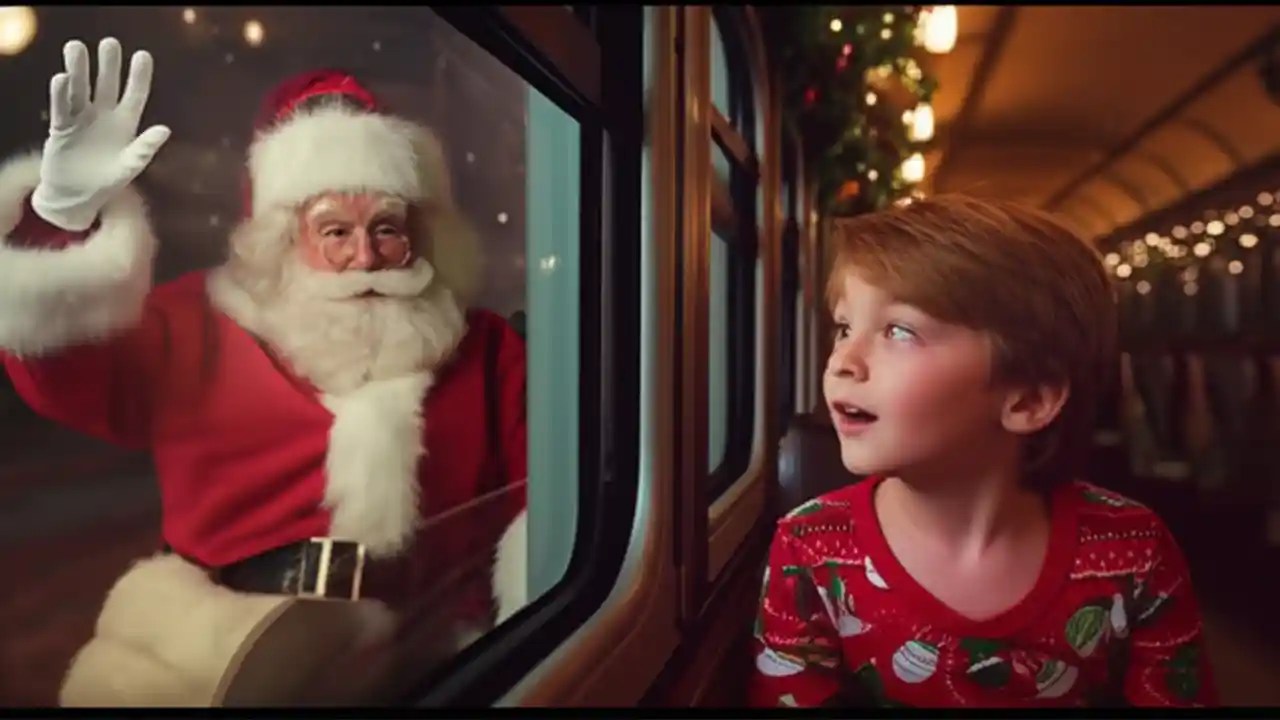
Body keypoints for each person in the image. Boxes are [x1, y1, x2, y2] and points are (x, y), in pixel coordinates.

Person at [0, 38, 528, 705]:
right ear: (285, 236)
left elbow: (542, 511)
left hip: (435, 666)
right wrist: (64, 223)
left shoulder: (486, 351)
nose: (366, 256)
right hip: (225, 659)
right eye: (335, 231)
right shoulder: (196, 322)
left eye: (387, 228)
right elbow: (64, 375)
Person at [748, 195, 1218, 708]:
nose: (843, 361)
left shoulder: (1133, 550)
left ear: (1028, 400)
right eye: (844, 327)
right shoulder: (810, 547)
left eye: (899, 331)